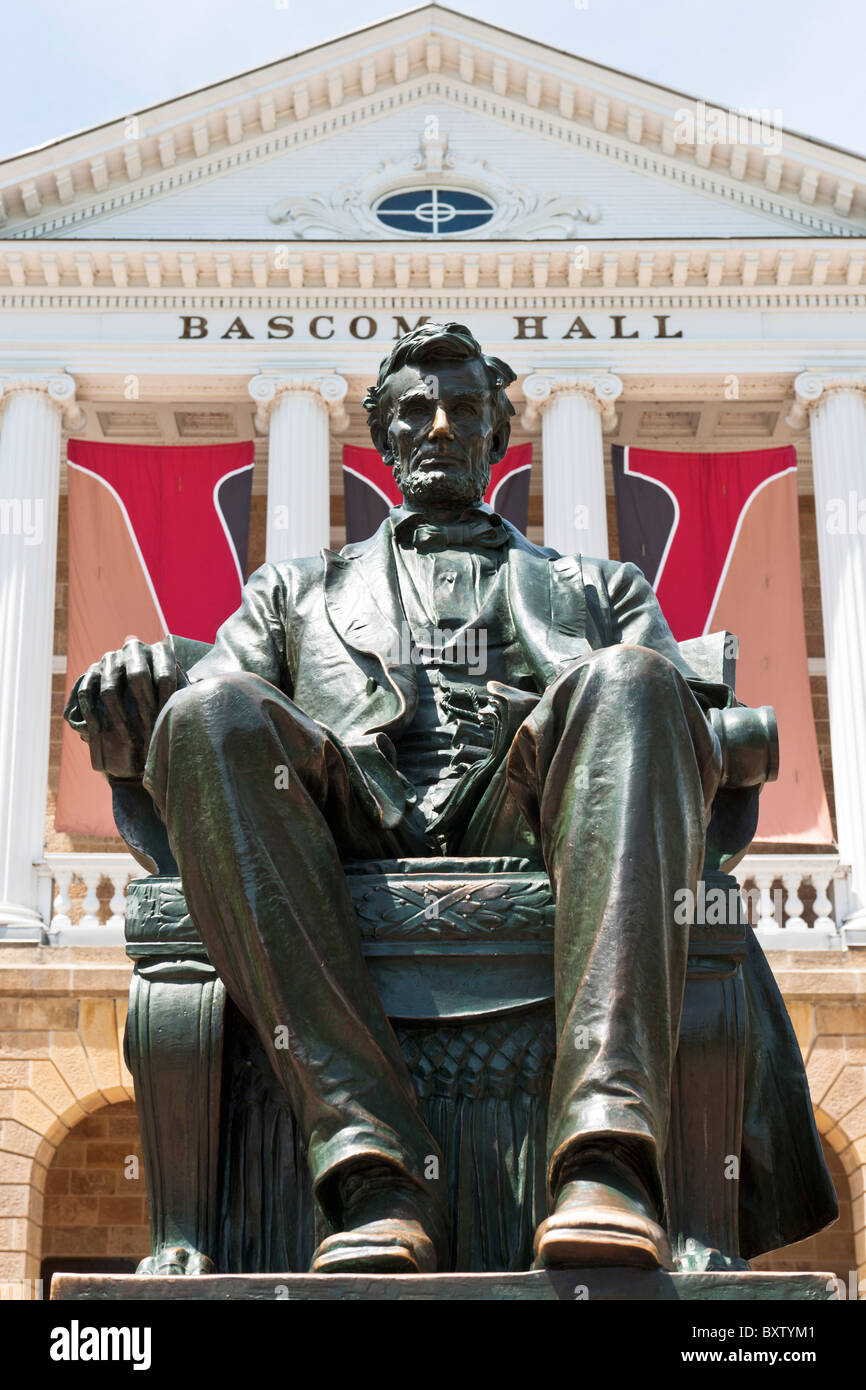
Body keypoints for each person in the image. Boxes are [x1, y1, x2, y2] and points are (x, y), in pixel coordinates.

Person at [66, 322, 835, 1275]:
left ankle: (604, 1163)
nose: (439, 427)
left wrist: (586, 706)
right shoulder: (294, 592)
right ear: (384, 439)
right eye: (415, 412)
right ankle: (371, 1168)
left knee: (633, 679)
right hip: (350, 823)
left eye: (464, 409)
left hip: (534, 819)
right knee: (209, 714)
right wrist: (144, 677)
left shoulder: (600, 588)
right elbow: (208, 712)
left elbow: (697, 734)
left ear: (497, 437)